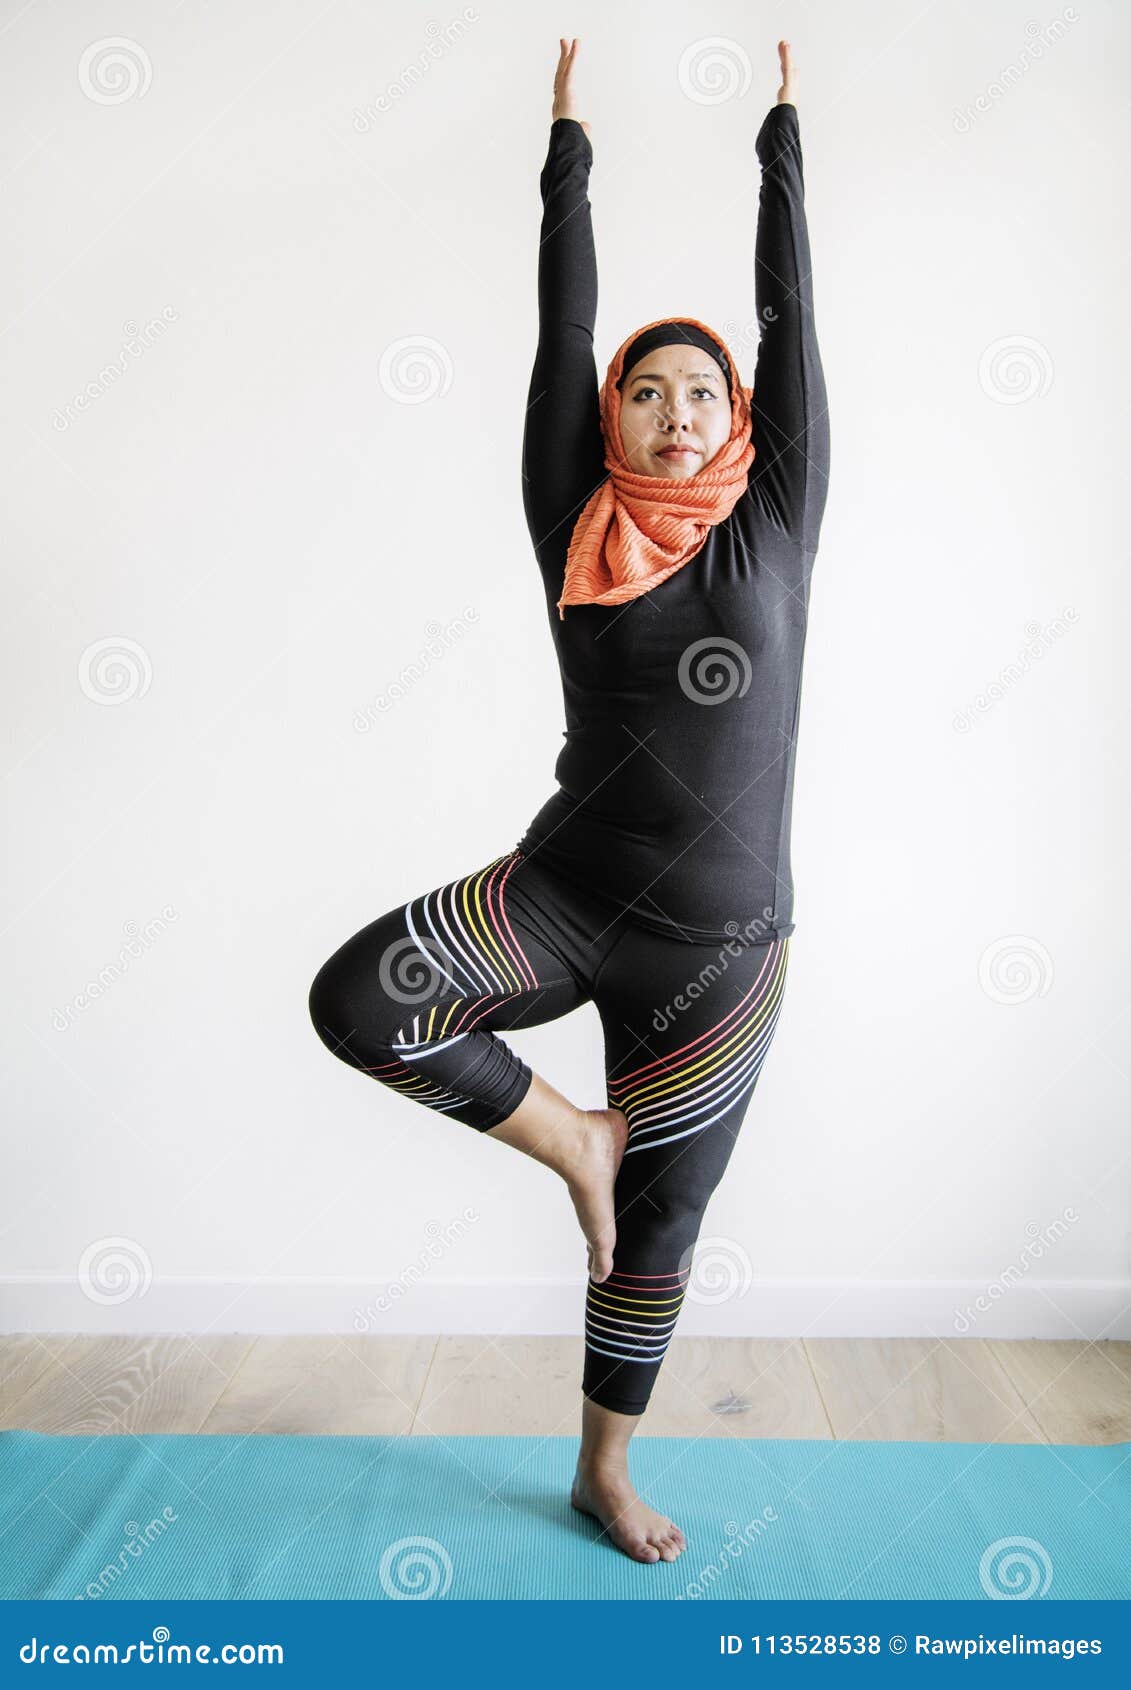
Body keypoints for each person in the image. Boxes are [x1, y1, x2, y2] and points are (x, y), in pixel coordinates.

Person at [308, 36, 829, 1565]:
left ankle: (605, 1468)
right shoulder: (572, 520)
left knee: (660, 1229)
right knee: (361, 1000)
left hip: (719, 952)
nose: (675, 412)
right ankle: (571, 1139)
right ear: (610, 421)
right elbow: (567, 327)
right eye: (646, 394)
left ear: (739, 420)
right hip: (565, 890)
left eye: (701, 393)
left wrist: (782, 147)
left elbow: (794, 320)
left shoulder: (779, 520)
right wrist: (567, 154)